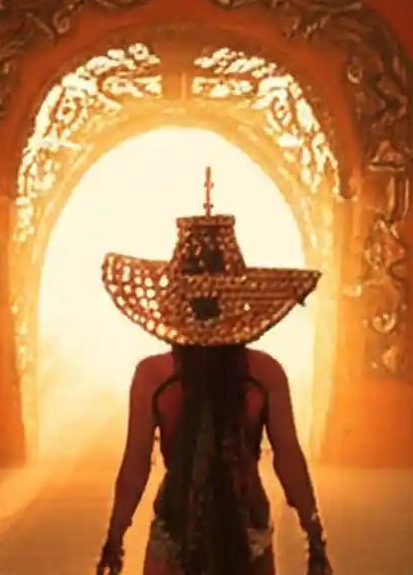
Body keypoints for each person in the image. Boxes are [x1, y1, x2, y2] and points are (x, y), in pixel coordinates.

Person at [95, 169, 332, 575]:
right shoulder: (263, 374)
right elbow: (288, 457)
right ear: (237, 301)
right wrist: (314, 535)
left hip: (175, 527)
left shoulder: (155, 376)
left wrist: (115, 539)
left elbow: (136, 464)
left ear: (174, 299)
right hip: (248, 528)